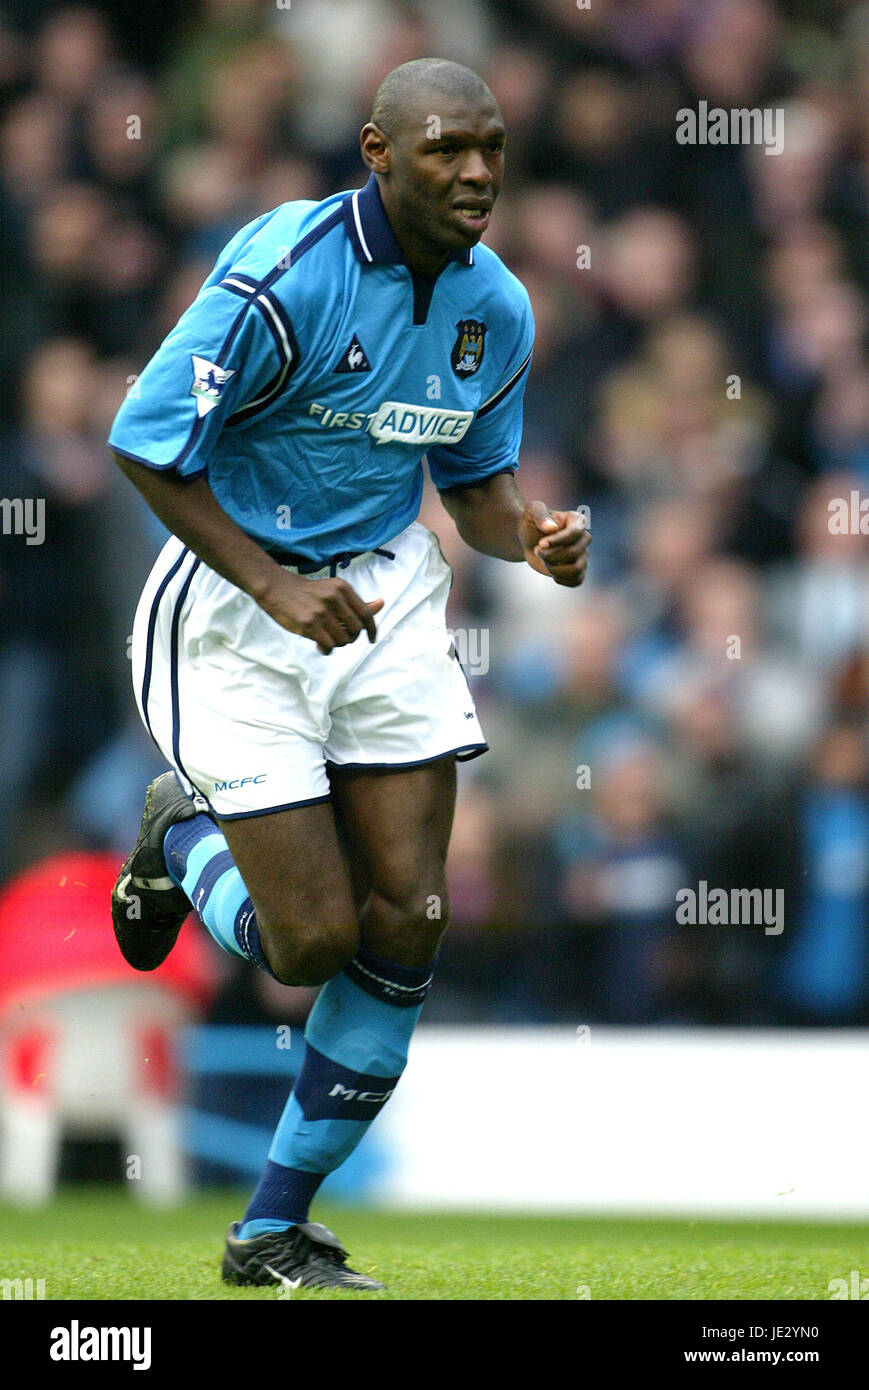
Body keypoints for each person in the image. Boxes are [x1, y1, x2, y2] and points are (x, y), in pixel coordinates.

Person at [107, 57, 590, 1293]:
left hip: (382, 596)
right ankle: (176, 840)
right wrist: (272, 584)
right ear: (377, 151)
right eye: (446, 149)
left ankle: (270, 1230)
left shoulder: (499, 307)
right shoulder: (283, 270)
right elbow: (146, 445)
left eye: (490, 147)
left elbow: (470, 487)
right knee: (309, 943)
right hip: (233, 608)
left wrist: (528, 533)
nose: (478, 171)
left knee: (412, 923)